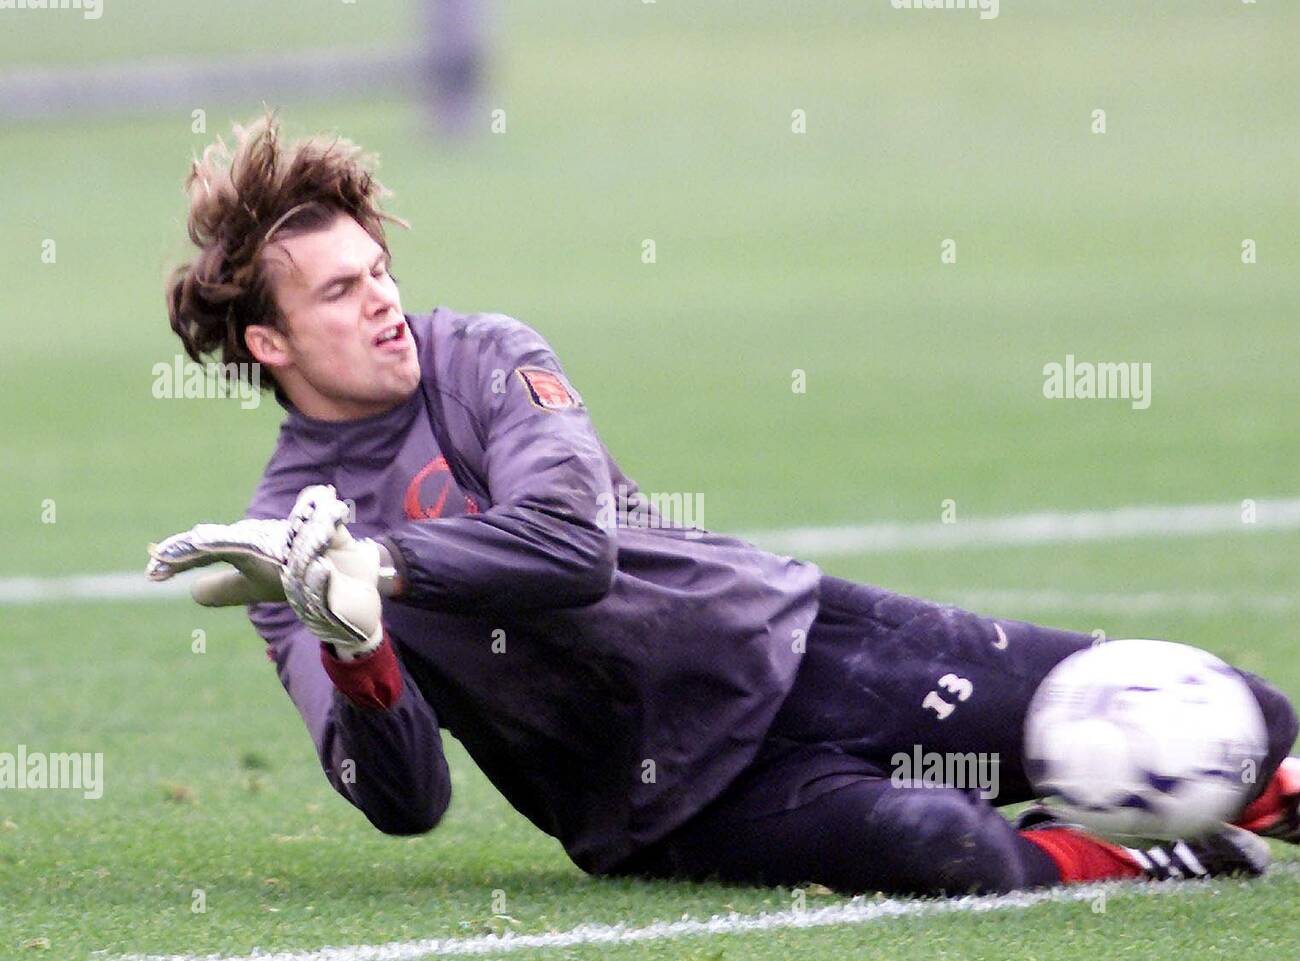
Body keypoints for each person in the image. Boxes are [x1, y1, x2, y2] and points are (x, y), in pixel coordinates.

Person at [149, 115, 1299, 897]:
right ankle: (1151, 858)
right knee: (956, 852)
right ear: (269, 342)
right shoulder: (281, 547)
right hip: (669, 803)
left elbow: (570, 549)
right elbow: (406, 804)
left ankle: (1262, 798)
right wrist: (354, 648)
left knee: (1243, 713)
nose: (384, 301)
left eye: (379, 269)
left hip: (798, 642)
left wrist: (387, 570)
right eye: (342, 292)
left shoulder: (485, 355)